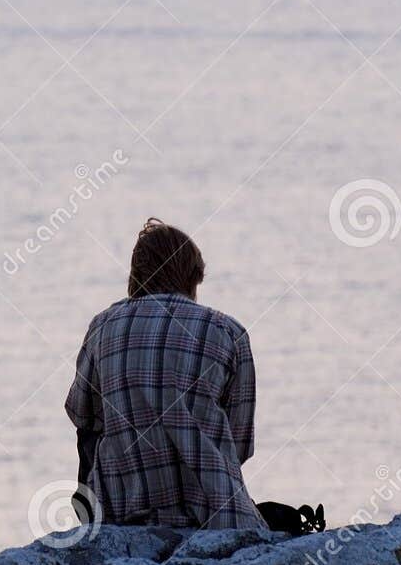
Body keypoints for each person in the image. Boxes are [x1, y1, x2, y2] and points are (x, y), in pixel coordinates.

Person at [64, 218, 266, 530]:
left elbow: (82, 415)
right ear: (193, 277)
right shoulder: (227, 331)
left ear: (136, 275)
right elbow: (239, 446)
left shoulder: (103, 326)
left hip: (121, 515)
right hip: (216, 517)